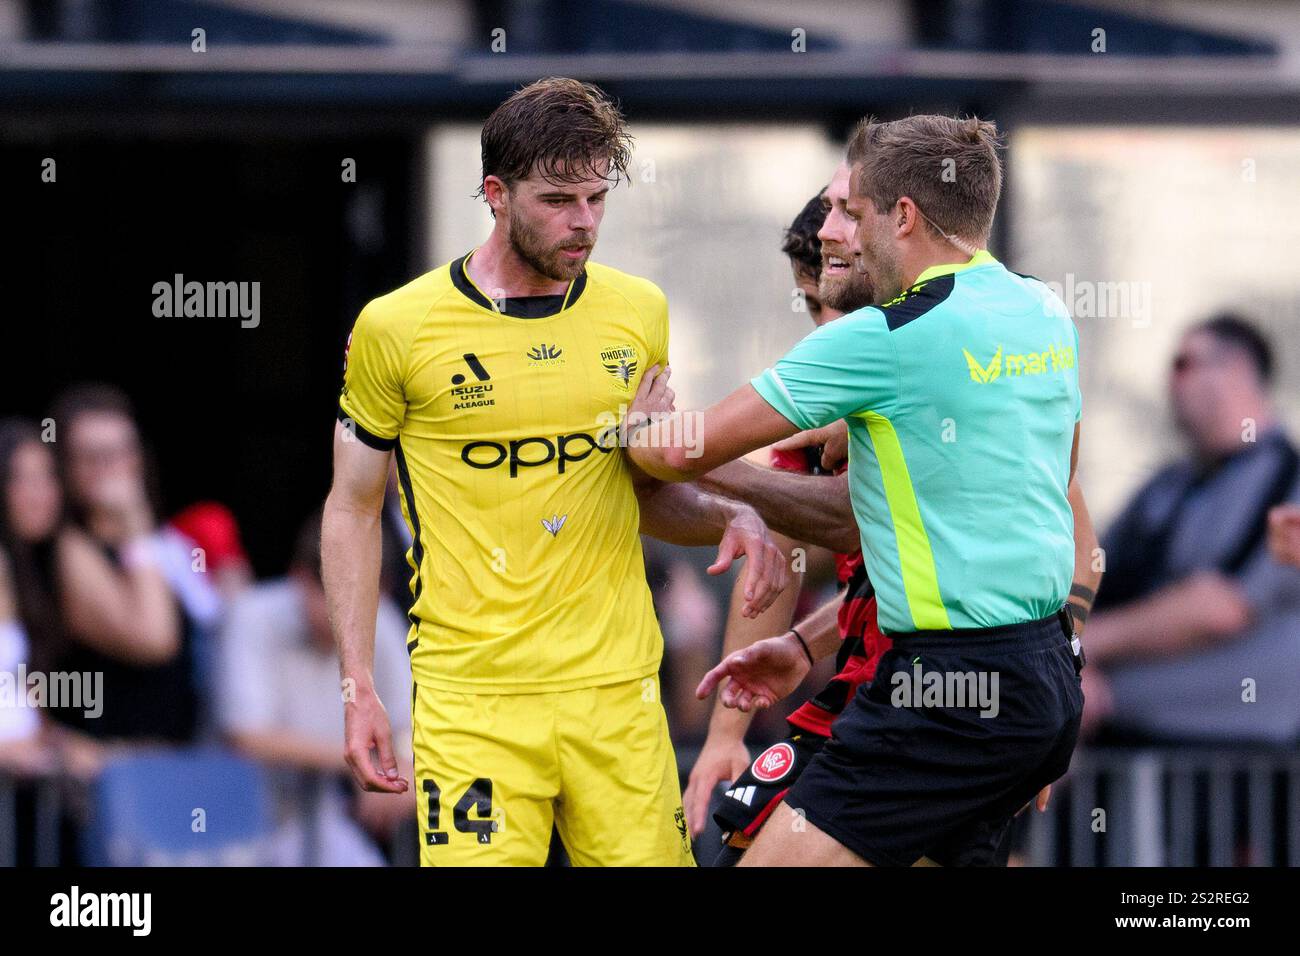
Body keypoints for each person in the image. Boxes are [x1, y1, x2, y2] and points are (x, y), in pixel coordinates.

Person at [322, 77, 789, 867]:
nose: (584, 224)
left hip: (619, 695)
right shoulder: (397, 326)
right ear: (496, 195)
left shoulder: (636, 311)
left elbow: (637, 490)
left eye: (598, 199)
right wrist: (358, 685)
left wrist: (728, 514)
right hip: (473, 700)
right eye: (558, 200)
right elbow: (353, 508)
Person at [628, 114, 1086, 866]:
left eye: (854, 211)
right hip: (1042, 681)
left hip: (946, 691)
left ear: (902, 215)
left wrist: (632, 429)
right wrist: (807, 640)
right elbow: (1051, 486)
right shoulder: (1041, 308)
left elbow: (691, 446)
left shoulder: (885, 337)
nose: (837, 231)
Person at [683, 181, 880, 855]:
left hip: (955, 695)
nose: (823, 330)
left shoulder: (946, 370)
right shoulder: (820, 405)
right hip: (876, 689)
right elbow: (782, 557)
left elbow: (1068, 533)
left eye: (839, 308)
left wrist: (665, 448)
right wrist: (725, 737)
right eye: (812, 308)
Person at [1086, 315, 1300, 744]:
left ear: (1238, 370)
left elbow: (1221, 607)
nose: (1172, 382)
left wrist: (1082, 648)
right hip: (1134, 745)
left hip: (1237, 762)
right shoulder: (1169, 486)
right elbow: (1092, 576)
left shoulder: (1283, 478)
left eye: (1185, 364)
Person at [217, 511, 411, 866]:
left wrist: (400, 775)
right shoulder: (254, 615)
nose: (349, 618)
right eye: (335, 598)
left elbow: (408, 726)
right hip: (235, 816)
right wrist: (366, 765)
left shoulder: (382, 619)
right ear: (301, 579)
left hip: (325, 818)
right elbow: (246, 738)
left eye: (365, 599)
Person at [47, 384, 197, 743]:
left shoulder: (164, 541)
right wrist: (135, 522)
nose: (109, 467)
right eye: (91, 456)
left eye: (118, 452)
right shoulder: (68, 547)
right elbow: (153, 638)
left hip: (177, 756)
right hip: (108, 767)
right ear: (65, 466)